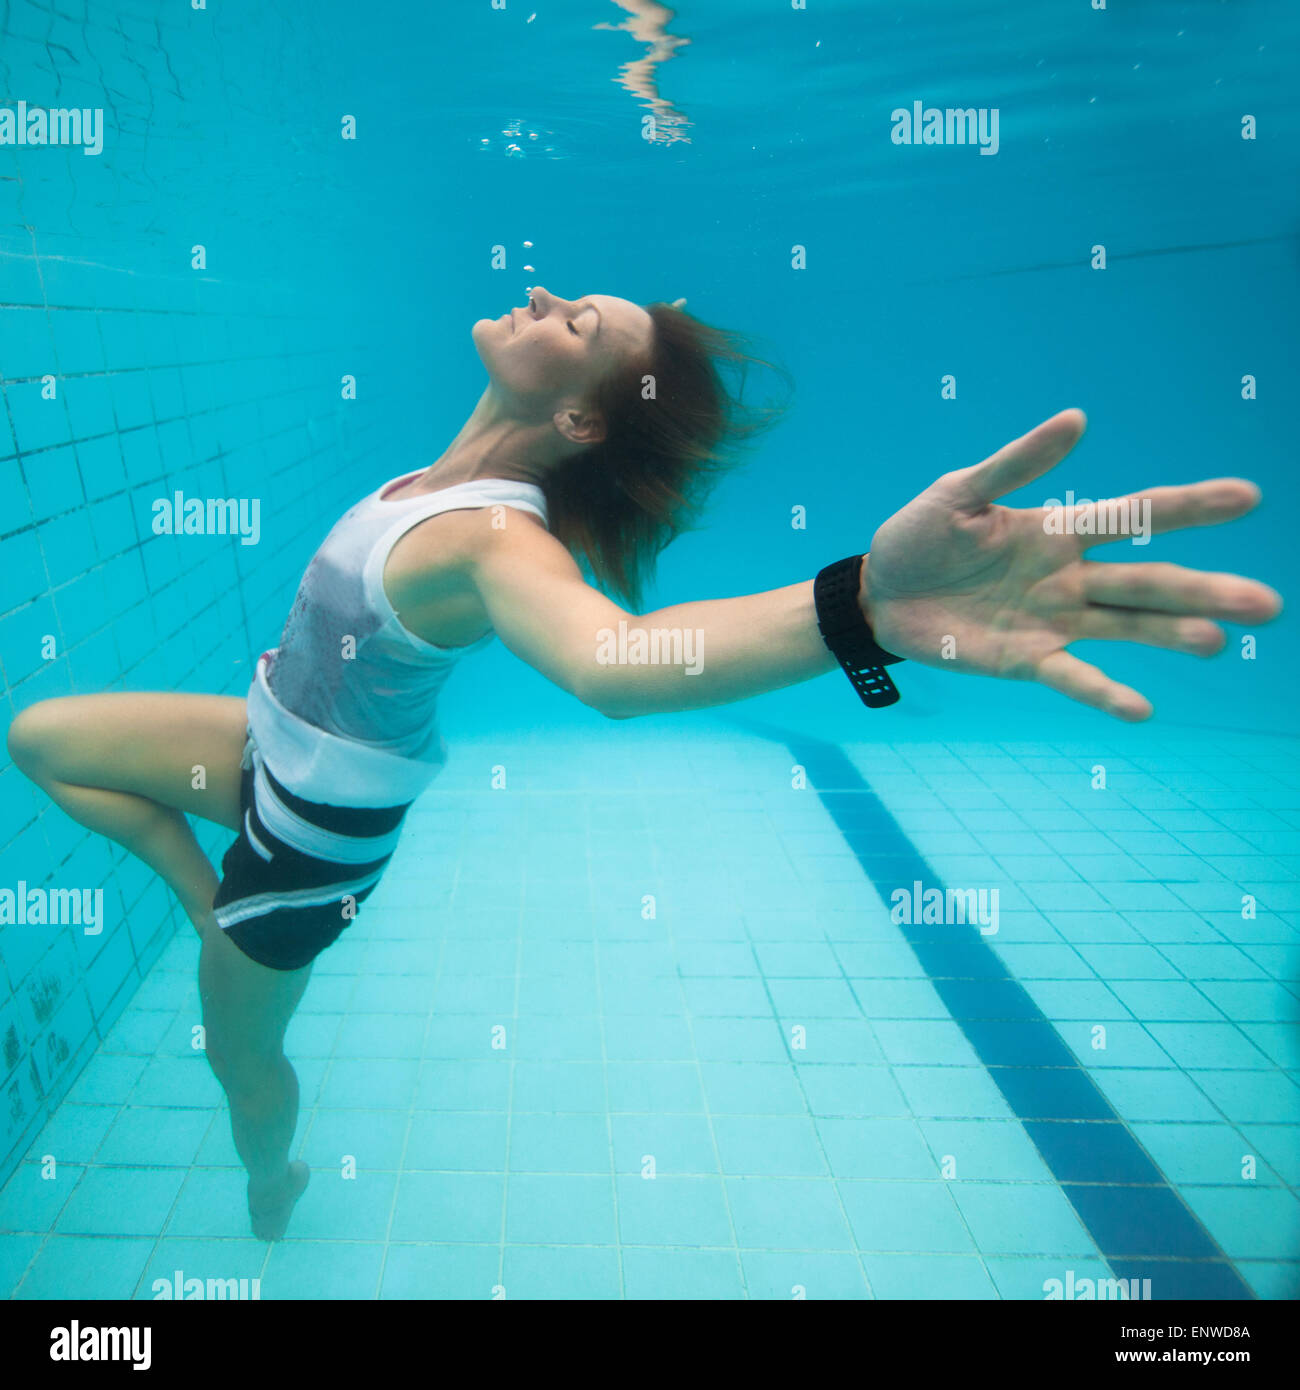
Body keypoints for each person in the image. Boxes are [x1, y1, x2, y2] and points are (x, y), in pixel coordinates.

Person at [6, 287, 1281, 1240]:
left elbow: (616, 663)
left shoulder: (490, 545)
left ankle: (267, 1171)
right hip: (258, 747)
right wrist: (201, 877)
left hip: (304, 849)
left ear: (575, 412)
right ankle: (198, 906)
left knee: (237, 1060)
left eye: (582, 324)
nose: (549, 300)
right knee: (39, 738)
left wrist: (863, 610)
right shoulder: (427, 478)